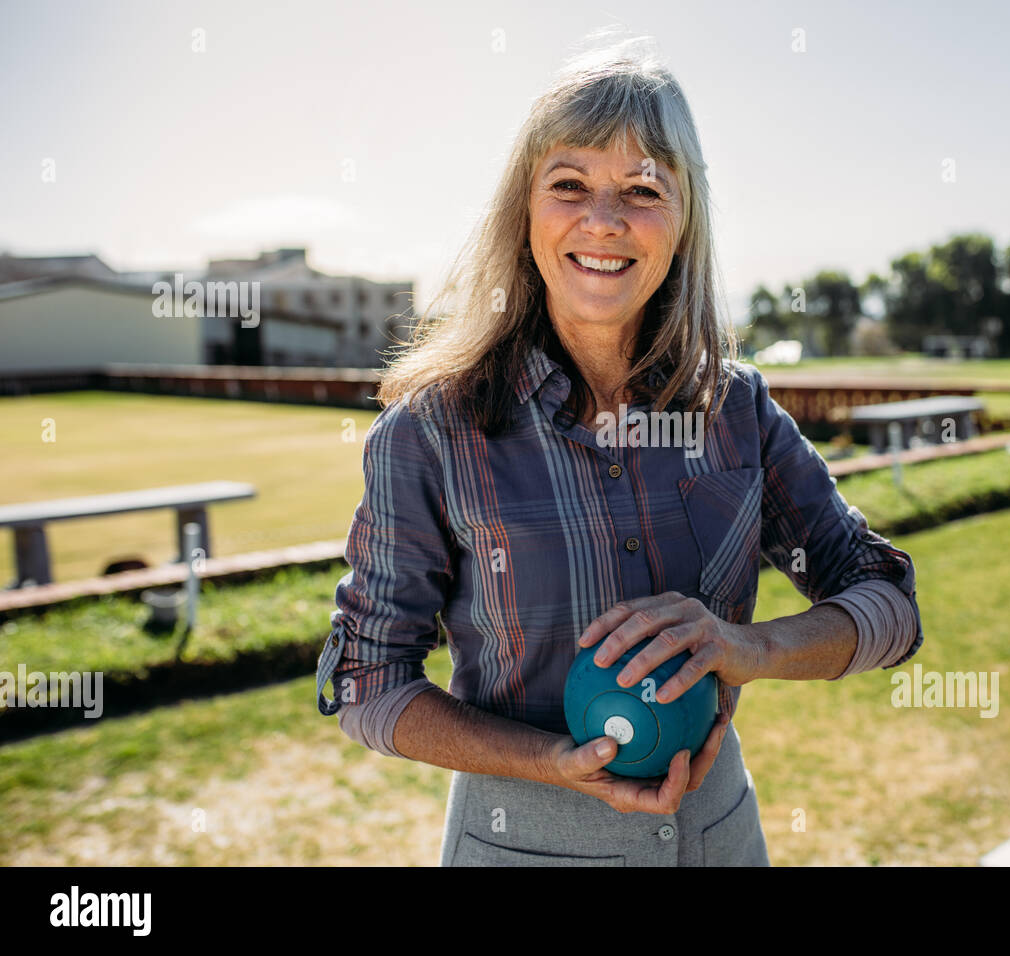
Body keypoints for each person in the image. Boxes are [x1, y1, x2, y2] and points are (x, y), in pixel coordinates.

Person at [315, 35, 924, 867]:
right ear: (523, 212)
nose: (603, 221)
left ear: (682, 222)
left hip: (721, 839)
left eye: (643, 189)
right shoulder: (430, 432)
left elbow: (889, 603)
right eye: (569, 185)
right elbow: (368, 688)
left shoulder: (733, 406)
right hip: (520, 844)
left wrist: (752, 649)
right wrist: (551, 764)